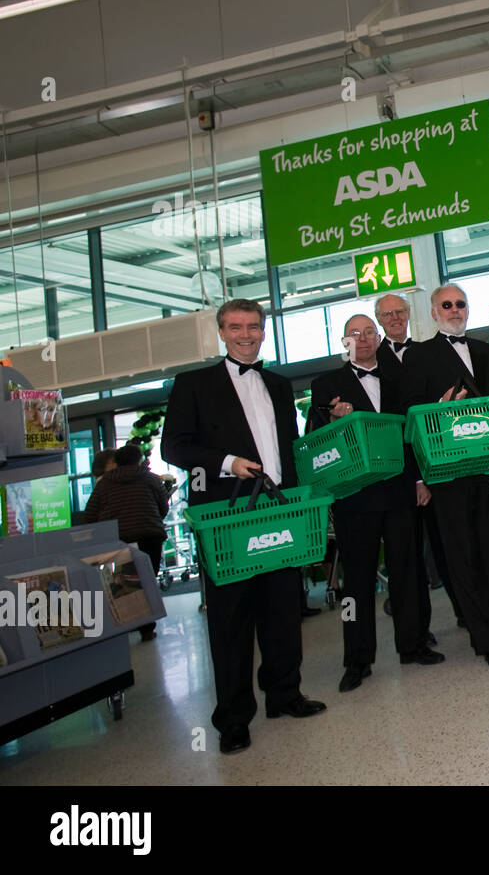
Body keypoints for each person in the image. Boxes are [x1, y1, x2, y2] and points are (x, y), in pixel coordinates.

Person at [161, 299, 326, 755]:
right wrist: (228, 463)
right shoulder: (193, 384)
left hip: (278, 509)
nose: (246, 334)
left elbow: (287, 445)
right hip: (227, 516)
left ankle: (285, 694)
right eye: (236, 327)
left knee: (282, 608)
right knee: (231, 618)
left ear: (263, 331)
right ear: (221, 332)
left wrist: (303, 493)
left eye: (253, 327)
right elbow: (173, 446)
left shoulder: (277, 383)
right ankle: (233, 719)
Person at [401, 284, 489, 668]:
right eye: (447, 304)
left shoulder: (486, 352)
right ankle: (485, 638)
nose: (455, 310)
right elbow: (408, 415)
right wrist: (439, 408)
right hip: (448, 469)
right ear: (433, 312)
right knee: (462, 554)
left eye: (461, 304)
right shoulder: (419, 356)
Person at [309, 314, 442, 693]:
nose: (364, 340)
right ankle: (357, 660)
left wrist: (420, 478)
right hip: (354, 496)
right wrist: (331, 418)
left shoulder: (400, 375)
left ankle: (413, 644)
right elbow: (314, 440)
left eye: (370, 333)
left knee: (408, 571)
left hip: (401, 488)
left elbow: (413, 430)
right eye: (355, 334)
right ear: (343, 341)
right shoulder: (326, 385)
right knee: (357, 583)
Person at [374, 293, 454, 631]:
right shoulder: (371, 361)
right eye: (387, 314)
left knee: (447, 547)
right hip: (400, 473)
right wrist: (415, 477)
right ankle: (417, 632)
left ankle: (466, 614)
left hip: (436, 463)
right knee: (407, 558)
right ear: (379, 319)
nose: (394, 318)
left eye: (400, 311)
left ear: (409, 314)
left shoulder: (426, 353)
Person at [82, 442, 169, 640]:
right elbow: (163, 506)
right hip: (149, 535)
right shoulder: (150, 479)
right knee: (148, 580)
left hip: (118, 539)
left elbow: (90, 515)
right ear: (138, 460)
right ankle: (147, 627)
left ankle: (127, 622)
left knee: (124, 583)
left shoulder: (104, 484)